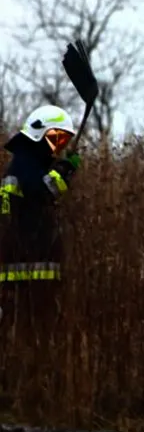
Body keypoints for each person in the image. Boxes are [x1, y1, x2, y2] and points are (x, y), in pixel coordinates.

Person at [0, 104, 81, 335]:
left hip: (22, 261)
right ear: (38, 133)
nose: (59, 147)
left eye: (64, 142)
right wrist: (65, 171)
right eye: (56, 139)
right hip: (29, 262)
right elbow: (44, 190)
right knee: (33, 329)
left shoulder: (25, 163)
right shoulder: (25, 164)